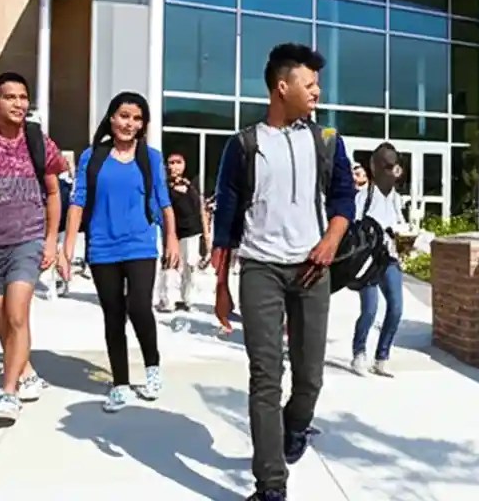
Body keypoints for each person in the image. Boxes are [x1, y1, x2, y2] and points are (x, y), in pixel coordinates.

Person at [210, 43, 355, 501]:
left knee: (310, 375)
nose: (317, 91)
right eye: (309, 84)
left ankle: (296, 426)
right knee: (265, 376)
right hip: (260, 269)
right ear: (282, 87)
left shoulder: (327, 140)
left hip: (314, 270)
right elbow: (228, 221)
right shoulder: (244, 145)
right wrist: (220, 287)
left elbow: (343, 198)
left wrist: (330, 242)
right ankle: (271, 485)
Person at [62, 92, 179, 413]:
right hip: (102, 246)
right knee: (113, 315)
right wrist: (67, 247)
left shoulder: (151, 157)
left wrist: (171, 238)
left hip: (141, 244)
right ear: (112, 118)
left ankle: (152, 367)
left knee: (139, 306)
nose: (130, 123)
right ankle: (120, 383)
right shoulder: (92, 157)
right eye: (124, 116)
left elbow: (164, 201)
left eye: (137, 118)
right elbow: (78, 201)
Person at [0, 72, 71, 428]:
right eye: (11, 97)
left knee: (16, 314)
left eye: (23, 97)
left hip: (27, 239)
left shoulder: (38, 141)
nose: (18, 104)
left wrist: (51, 241)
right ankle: (25, 370)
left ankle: (9, 393)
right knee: (2, 316)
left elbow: (55, 192)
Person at [351, 143, 406, 378]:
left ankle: (382, 357)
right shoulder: (363, 197)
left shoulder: (395, 198)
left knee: (396, 308)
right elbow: (354, 227)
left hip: (390, 258)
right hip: (369, 260)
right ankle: (359, 354)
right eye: (384, 165)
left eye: (392, 166)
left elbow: (400, 224)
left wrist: (404, 236)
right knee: (370, 310)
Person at [157, 151, 210, 312]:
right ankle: (167, 300)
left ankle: (187, 299)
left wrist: (206, 233)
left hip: (193, 232)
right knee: (170, 265)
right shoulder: (164, 187)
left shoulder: (191, 185)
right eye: (171, 162)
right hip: (174, 232)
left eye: (178, 162)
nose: (174, 166)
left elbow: (201, 208)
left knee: (190, 267)